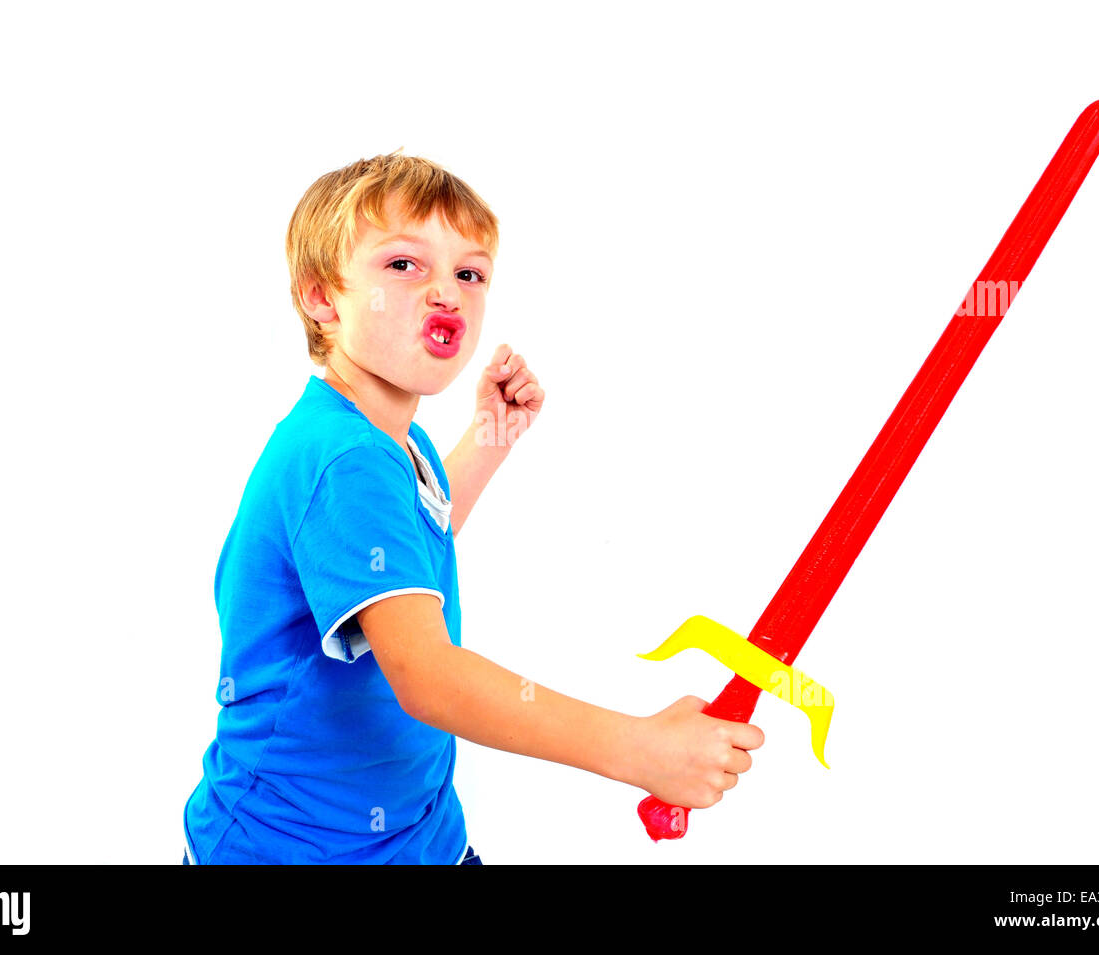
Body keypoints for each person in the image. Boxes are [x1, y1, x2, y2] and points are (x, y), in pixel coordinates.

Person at [181, 151, 763, 864]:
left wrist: (490, 439)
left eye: (469, 272)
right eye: (404, 265)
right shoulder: (347, 460)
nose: (446, 293)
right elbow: (427, 673)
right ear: (322, 298)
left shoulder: (386, 438)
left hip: (416, 839)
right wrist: (639, 748)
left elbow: (403, 544)